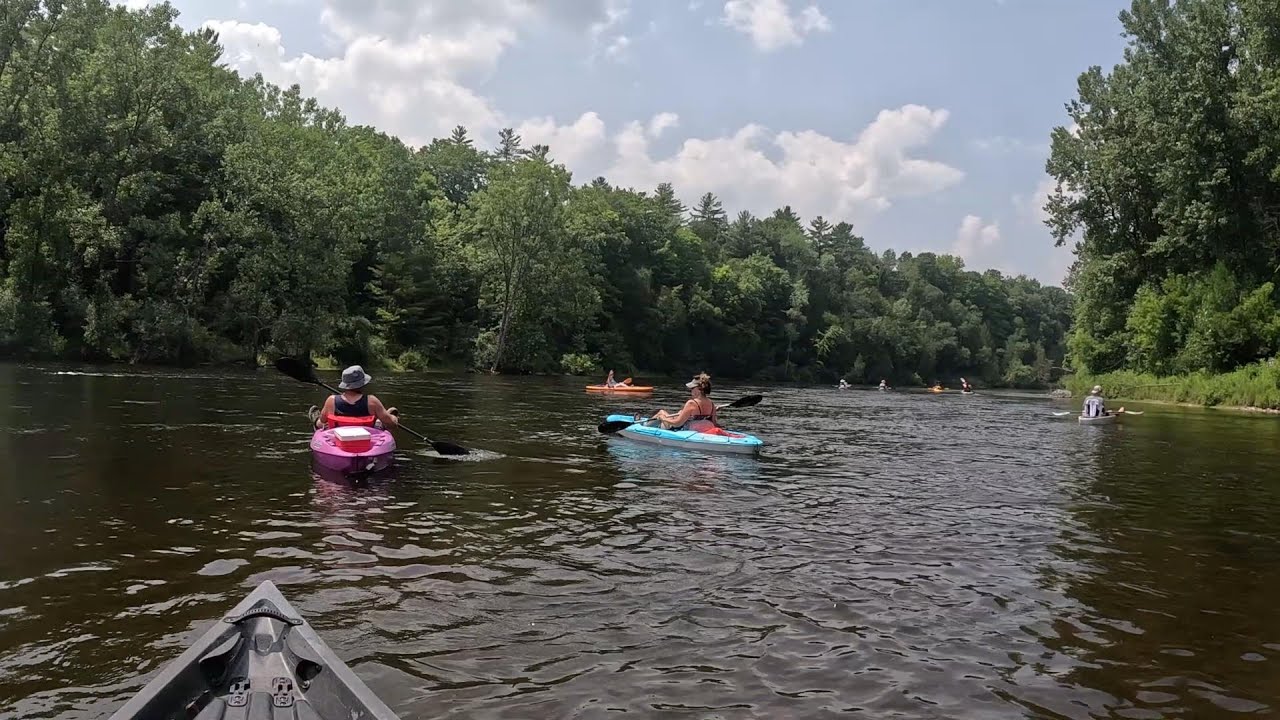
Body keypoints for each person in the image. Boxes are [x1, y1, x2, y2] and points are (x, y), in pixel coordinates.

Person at [308, 365, 400, 431]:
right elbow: (391, 425)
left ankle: (315, 419)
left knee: (320, 422)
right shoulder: (372, 401)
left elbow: (323, 421)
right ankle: (386, 416)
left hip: (339, 435)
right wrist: (394, 419)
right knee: (389, 419)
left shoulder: (331, 400)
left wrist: (319, 421)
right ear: (363, 383)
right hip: (366, 436)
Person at [651, 373, 718, 431]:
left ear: (699, 389)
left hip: (679, 429)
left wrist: (663, 419)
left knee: (661, 413)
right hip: (697, 428)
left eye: (692, 388)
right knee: (664, 412)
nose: (691, 391)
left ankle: (643, 427)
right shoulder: (712, 404)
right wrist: (682, 413)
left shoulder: (692, 403)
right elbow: (714, 423)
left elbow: (677, 424)